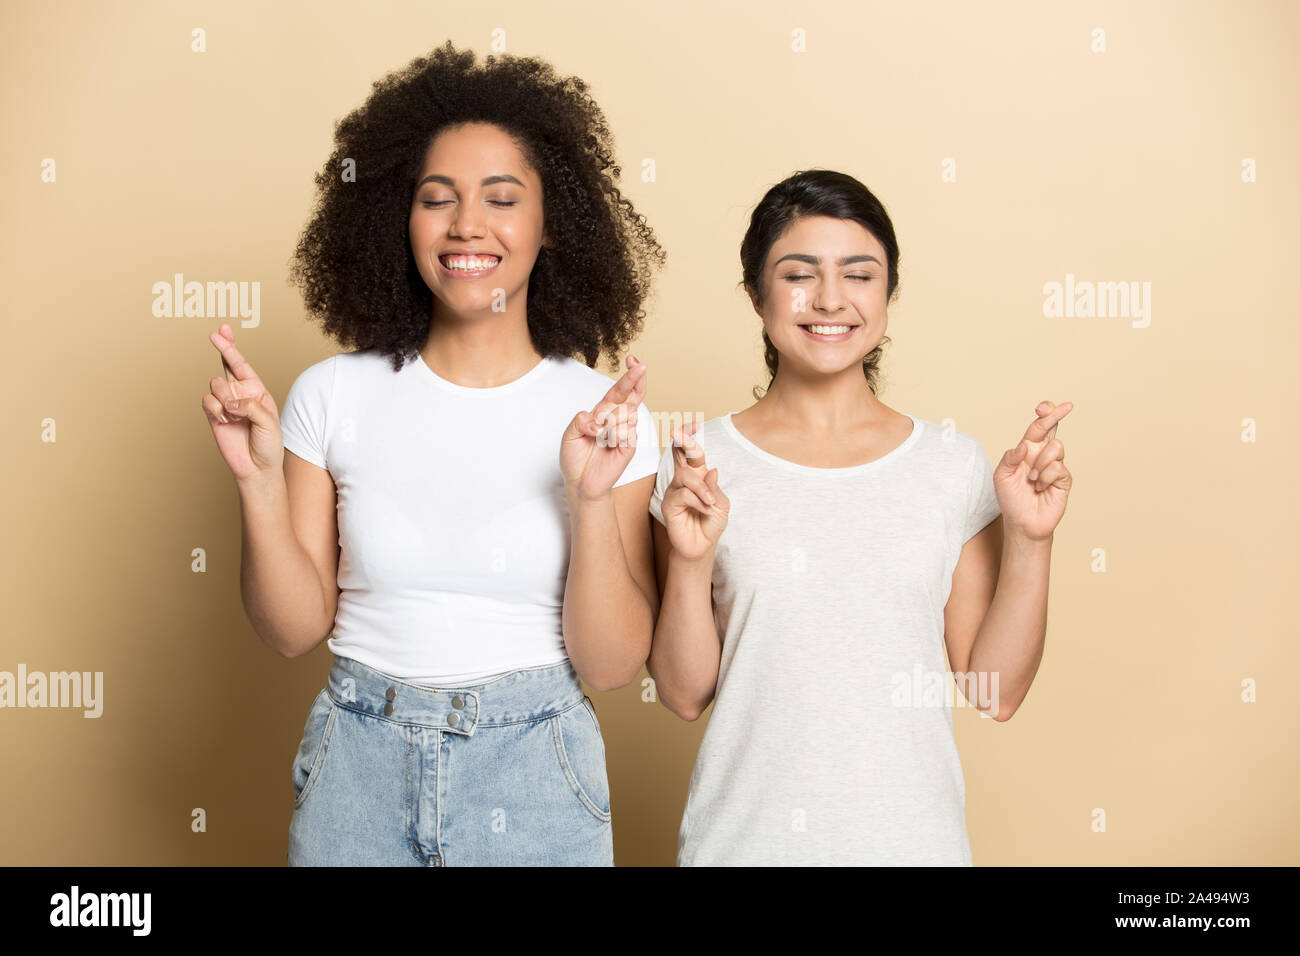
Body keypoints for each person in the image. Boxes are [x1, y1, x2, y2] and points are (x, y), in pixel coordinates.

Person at [199, 41, 665, 866]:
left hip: (536, 776)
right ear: (398, 218)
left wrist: (590, 499)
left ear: (553, 225)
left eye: (502, 199)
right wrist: (259, 481)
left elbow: (613, 664)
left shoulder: (604, 416)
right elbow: (291, 631)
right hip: (357, 771)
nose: (466, 226)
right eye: (436, 199)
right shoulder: (330, 395)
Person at [647, 169, 1074, 866]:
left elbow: (994, 693)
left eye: (859, 275)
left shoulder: (952, 465)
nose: (829, 299)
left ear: (888, 294)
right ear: (756, 295)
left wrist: (1031, 539)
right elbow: (682, 693)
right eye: (798, 274)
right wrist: (691, 563)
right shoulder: (698, 463)